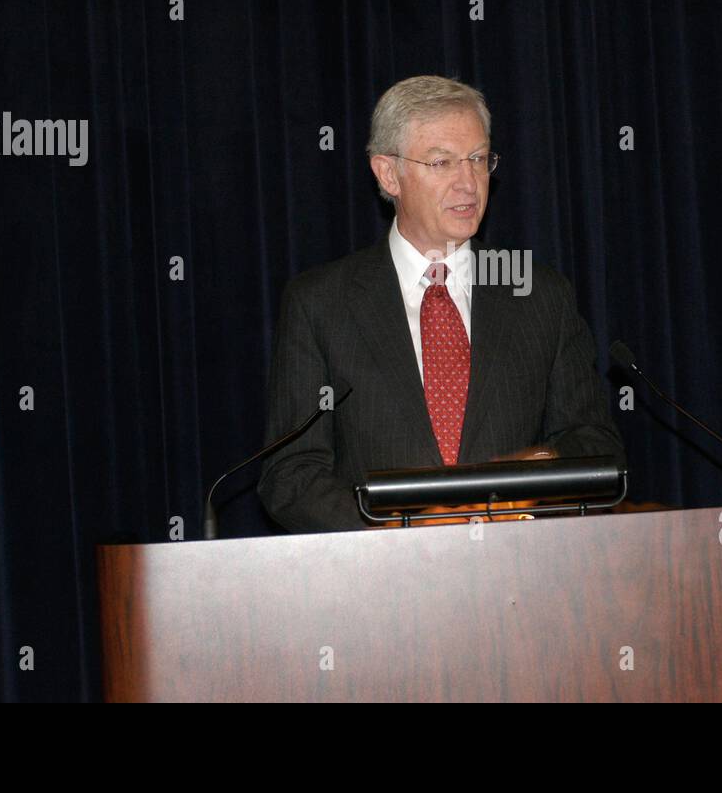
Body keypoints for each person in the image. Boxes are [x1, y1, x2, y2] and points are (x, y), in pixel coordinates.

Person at [258, 75, 624, 532]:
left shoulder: (540, 295)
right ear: (388, 173)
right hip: (381, 581)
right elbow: (291, 476)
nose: (468, 183)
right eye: (442, 162)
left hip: (519, 575)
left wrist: (529, 475)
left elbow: (594, 445)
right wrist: (399, 532)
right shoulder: (321, 304)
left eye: (477, 159)